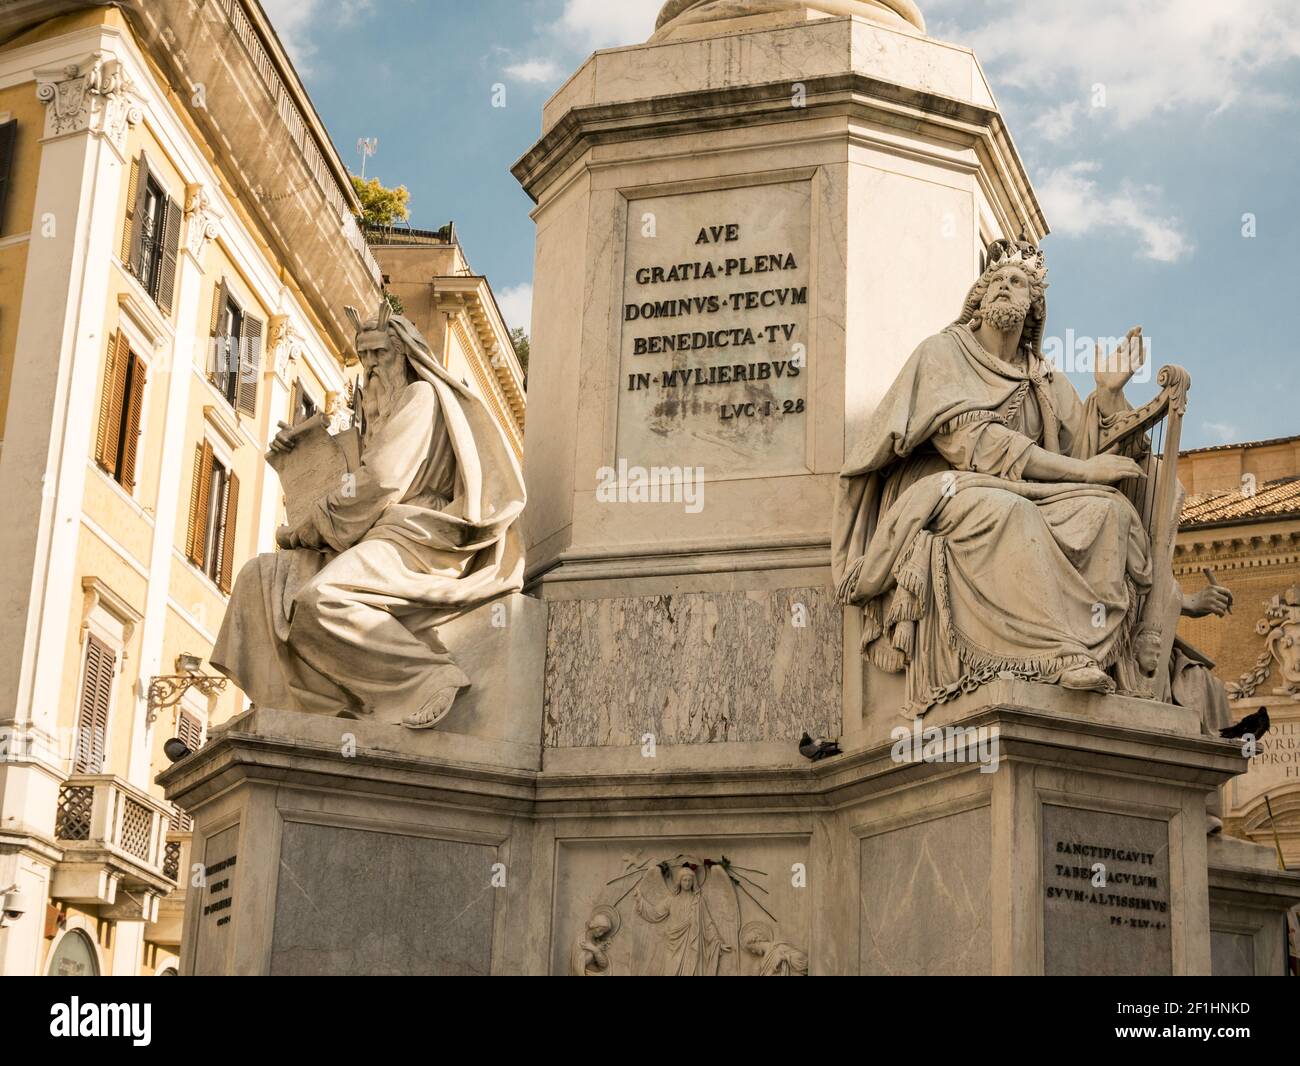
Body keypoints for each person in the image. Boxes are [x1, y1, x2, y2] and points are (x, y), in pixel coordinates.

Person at [834, 239, 1152, 716]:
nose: (1006, 286)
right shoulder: (943, 353)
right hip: (951, 486)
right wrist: (1084, 470)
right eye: (997, 281)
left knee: (1106, 511)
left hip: (1031, 487)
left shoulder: (1043, 377)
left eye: (1018, 282)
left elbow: (1080, 451)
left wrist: (1107, 398)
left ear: (1032, 307)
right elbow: (976, 447)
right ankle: (1055, 653)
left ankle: (1096, 653)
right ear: (979, 300)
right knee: (1011, 514)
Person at [211, 300, 525, 730]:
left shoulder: (420, 395)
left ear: (406, 354)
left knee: (324, 598)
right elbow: (351, 474)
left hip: (418, 534)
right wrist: (305, 452)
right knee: (259, 578)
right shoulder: (380, 416)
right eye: (365, 357)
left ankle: (429, 676)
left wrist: (312, 525)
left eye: (381, 354)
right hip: (371, 533)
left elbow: (381, 480)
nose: (372, 367)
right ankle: (290, 706)